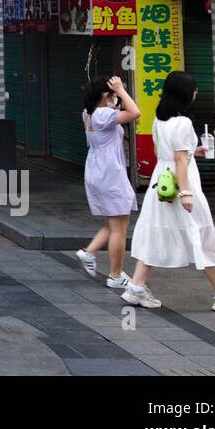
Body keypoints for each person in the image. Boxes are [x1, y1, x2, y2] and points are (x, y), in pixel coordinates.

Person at [122, 71, 215, 313]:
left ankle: (137, 288)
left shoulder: (159, 119)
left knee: (157, 234)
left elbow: (168, 153)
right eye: (193, 89)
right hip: (182, 185)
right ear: (185, 93)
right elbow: (180, 160)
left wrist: (195, 152)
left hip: (161, 184)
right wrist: (186, 194)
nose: (196, 93)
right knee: (203, 236)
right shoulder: (183, 122)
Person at [75, 76, 140, 289]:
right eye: (112, 94)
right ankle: (115, 275)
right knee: (119, 228)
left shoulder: (89, 113)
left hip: (97, 169)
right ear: (105, 95)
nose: (116, 97)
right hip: (109, 173)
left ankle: (89, 252)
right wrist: (121, 90)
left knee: (116, 223)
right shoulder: (103, 113)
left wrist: (117, 93)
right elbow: (135, 113)